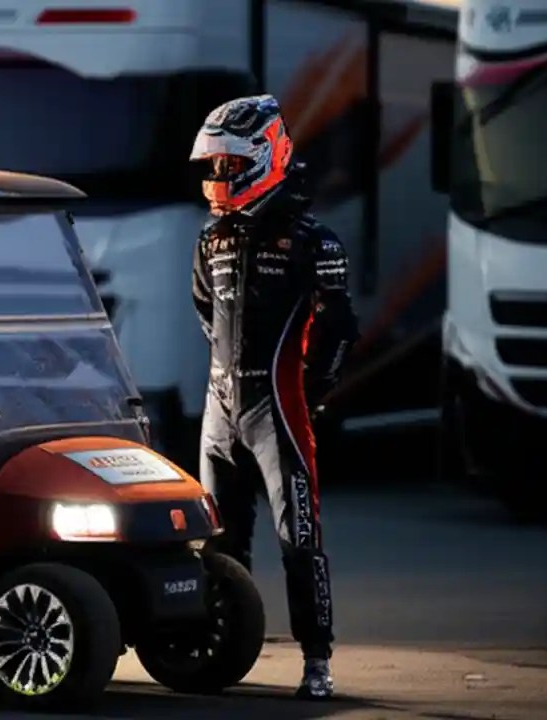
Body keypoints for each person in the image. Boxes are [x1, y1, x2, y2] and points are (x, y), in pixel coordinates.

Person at [187, 94, 359, 699]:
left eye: (228, 167)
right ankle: (212, 652)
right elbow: (207, 316)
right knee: (216, 545)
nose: (216, 179)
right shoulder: (211, 242)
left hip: (278, 411)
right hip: (219, 410)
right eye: (211, 168)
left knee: (299, 543)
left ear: (265, 158)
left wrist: (313, 395)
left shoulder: (316, 242)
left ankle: (317, 663)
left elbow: (339, 330)